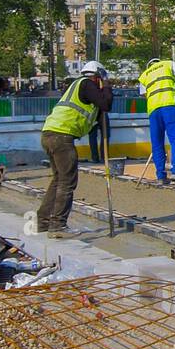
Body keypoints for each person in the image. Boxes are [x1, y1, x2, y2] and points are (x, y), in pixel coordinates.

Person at [37, 61, 110, 236]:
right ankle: (57, 226)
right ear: (97, 77)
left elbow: (98, 111)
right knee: (67, 182)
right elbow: (106, 104)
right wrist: (107, 86)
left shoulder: (77, 87)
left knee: (58, 180)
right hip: (61, 137)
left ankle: (43, 222)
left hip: (50, 134)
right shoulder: (86, 83)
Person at [139, 56, 175, 185]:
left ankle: (161, 176)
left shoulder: (144, 75)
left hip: (154, 111)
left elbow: (144, 95)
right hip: (169, 106)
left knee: (157, 143)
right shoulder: (167, 64)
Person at [87, 69, 114, 164]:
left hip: (102, 113)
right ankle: (95, 157)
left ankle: (104, 156)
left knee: (105, 135)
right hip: (94, 113)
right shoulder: (91, 86)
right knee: (93, 136)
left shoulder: (102, 85)